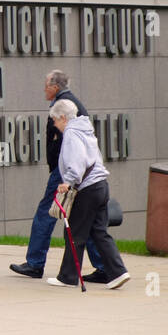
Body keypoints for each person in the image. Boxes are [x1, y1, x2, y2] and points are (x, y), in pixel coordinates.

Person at [11, 70, 107, 281]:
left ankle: (35, 263)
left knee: (46, 212)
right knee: (83, 219)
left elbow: (66, 143)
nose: (44, 90)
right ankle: (104, 267)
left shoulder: (63, 107)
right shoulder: (73, 103)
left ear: (55, 87)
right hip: (75, 172)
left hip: (66, 173)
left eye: (46, 86)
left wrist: (63, 175)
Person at [45, 99, 130, 290]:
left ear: (63, 118)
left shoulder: (71, 134)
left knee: (74, 233)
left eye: (55, 121)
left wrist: (68, 181)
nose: (55, 126)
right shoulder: (85, 130)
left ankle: (67, 277)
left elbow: (77, 161)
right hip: (101, 186)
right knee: (99, 232)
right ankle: (118, 272)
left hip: (87, 189)